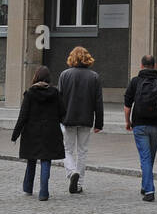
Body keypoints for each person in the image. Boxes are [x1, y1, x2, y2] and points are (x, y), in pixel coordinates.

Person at [11, 65, 65, 201]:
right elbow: (62, 112)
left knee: (31, 159)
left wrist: (15, 134)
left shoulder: (30, 94)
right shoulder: (55, 93)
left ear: (35, 77)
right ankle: (44, 192)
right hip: (50, 132)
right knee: (46, 160)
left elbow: (23, 116)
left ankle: (28, 187)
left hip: (32, 132)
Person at [123, 54, 157, 202]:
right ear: (155, 65)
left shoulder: (135, 82)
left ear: (141, 65)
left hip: (139, 124)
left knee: (145, 157)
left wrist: (127, 121)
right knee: (149, 157)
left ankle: (149, 190)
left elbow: (127, 105)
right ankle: (145, 186)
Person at [58, 46, 104, 194]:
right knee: (82, 151)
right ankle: (79, 184)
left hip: (68, 118)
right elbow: (98, 102)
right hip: (86, 118)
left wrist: (58, 118)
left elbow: (59, 99)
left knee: (67, 149)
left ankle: (72, 172)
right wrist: (99, 123)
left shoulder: (64, 75)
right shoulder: (94, 76)